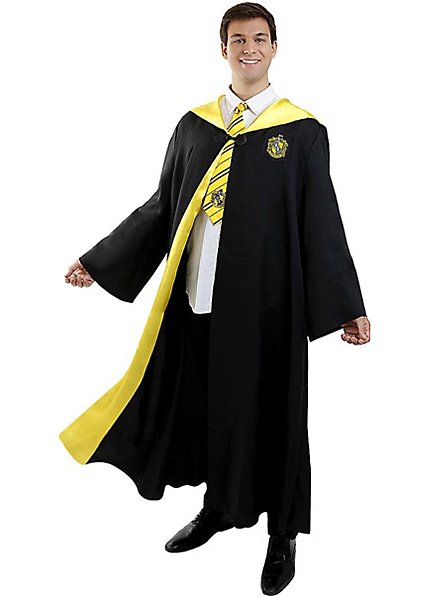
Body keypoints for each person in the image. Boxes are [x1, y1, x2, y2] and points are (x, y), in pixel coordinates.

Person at [61, 3, 371, 595]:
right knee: (207, 408)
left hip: (268, 309)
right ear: (222, 48)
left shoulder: (302, 132)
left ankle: (283, 534)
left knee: (276, 414)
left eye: (260, 38)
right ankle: (218, 507)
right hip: (197, 298)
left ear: (275, 47)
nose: (249, 48)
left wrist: (346, 306)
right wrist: (98, 262)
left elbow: (321, 221)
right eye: (238, 39)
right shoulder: (194, 127)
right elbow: (163, 205)